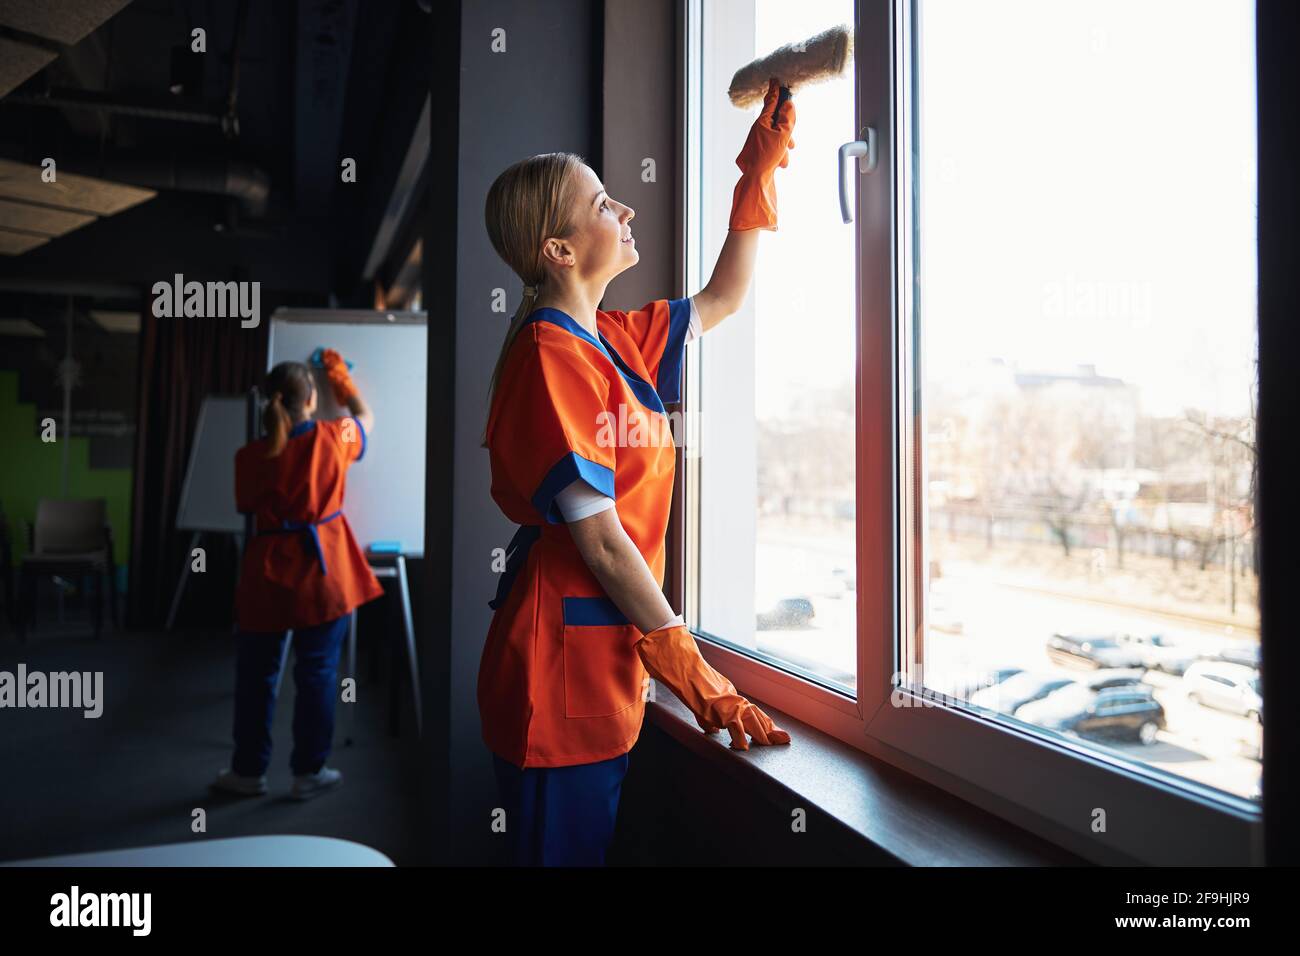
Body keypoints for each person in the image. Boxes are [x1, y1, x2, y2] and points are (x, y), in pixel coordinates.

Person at [479, 78, 796, 865]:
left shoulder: (615, 338)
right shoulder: (548, 357)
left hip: (606, 666)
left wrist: (756, 177)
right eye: (602, 204)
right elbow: (603, 541)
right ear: (558, 250)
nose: (624, 212)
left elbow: (722, 297)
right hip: (555, 683)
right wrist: (688, 660)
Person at [211, 352, 383, 800]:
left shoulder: (248, 456)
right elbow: (366, 416)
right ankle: (309, 772)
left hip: (265, 572)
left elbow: (246, 507)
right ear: (311, 401)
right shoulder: (334, 437)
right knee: (319, 672)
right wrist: (340, 378)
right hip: (322, 572)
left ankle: (248, 772)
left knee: (256, 676)